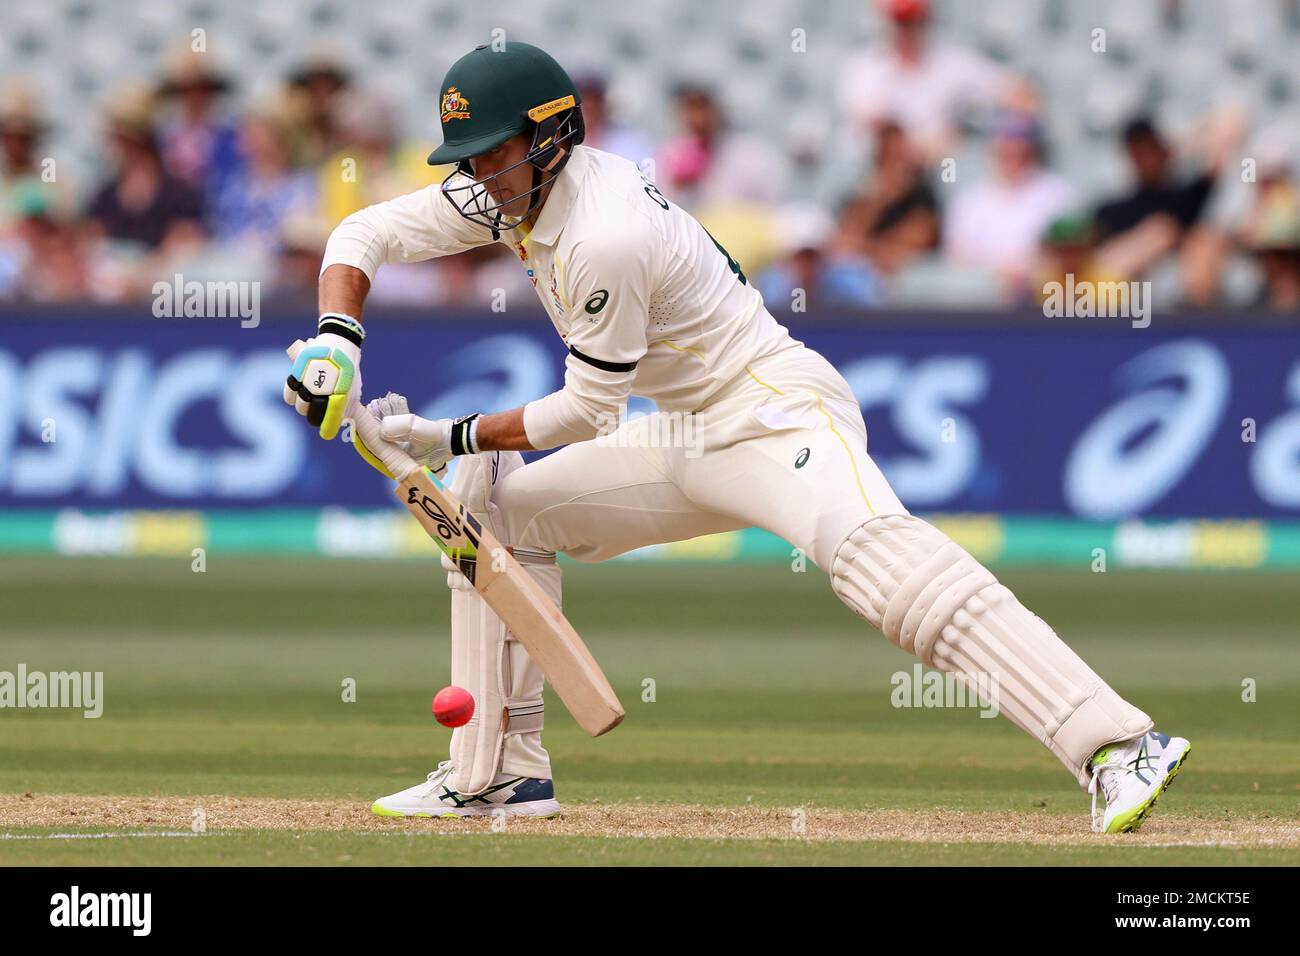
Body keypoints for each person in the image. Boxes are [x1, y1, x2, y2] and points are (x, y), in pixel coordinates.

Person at [285, 41, 1189, 833]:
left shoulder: (603, 232)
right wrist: (337, 341)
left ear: (550, 137)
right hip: (682, 432)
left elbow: (587, 413)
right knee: (503, 515)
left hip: (771, 411)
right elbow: (363, 231)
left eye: (494, 153)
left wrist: (445, 433)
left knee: (877, 564)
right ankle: (501, 776)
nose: (480, 176)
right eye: (469, 159)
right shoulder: (513, 194)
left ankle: (1118, 745)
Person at [839, 0, 1007, 163]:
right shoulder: (866, 67)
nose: (907, 29)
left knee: (953, 169)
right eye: (901, 21)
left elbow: (1015, 92)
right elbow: (880, 132)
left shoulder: (952, 62)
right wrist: (938, 140)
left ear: (927, 20)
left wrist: (966, 131)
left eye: (914, 20)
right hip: (882, 172)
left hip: (938, 169)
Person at [944, 110, 1076, 298]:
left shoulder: (1058, 195)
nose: (1012, 152)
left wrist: (1027, 271)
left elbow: (1067, 255)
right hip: (982, 298)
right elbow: (958, 258)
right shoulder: (969, 200)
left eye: (1019, 146)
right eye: (1005, 147)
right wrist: (997, 275)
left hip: (1042, 296)